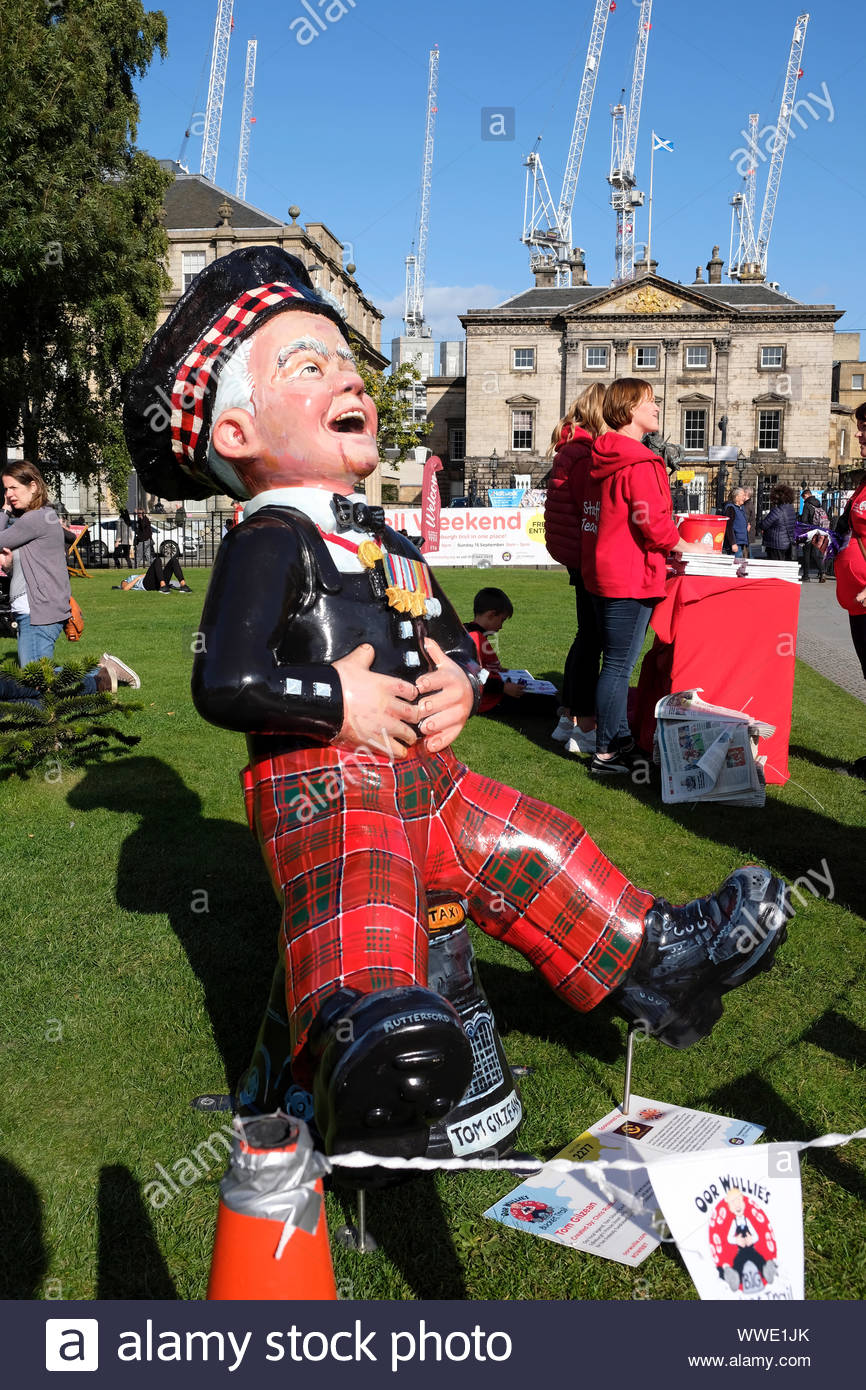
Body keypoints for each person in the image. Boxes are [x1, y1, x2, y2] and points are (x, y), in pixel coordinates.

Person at [123, 246, 789, 1163]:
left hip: (430, 781)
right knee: (359, 888)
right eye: (307, 367)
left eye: (346, 365)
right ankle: (362, 1040)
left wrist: (462, 686)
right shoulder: (268, 539)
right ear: (234, 434)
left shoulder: (385, 538)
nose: (346, 380)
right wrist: (335, 699)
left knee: (534, 843)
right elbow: (225, 681)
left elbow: (451, 643)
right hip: (325, 789)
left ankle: (656, 958)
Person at [581, 379, 710, 777]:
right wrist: (691, 549)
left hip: (609, 570)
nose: (657, 408)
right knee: (619, 665)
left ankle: (618, 739)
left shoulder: (608, 455)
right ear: (628, 410)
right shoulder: (639, 461)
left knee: (616, 662)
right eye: (649, 402)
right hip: (629, 574)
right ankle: (605, 753)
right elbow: (652, 525)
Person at [0, 462, 140, 692]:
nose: (8, 494)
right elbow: (31, 567)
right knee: (35, 676)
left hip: (38, 610)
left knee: (37, 680)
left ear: (33, 486)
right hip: (35, 607)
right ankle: (103, 670)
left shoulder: (35, 518)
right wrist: (9, 565)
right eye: (5, 489)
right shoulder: (41, 517)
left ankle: (101, 678)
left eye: (13, 488)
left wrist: (4, 511)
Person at [543, 385, 606, 756]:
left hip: (575, 554)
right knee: (593, 641)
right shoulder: (583, 454)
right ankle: (583, 724)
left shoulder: (569, 448)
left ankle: (569, 717)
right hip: (588, 556)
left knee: (586, 637)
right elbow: (592, 509)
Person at [832, 401, 866, 778]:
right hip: (856, 599)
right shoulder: (863, 480)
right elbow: (848, 529)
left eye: (864, 428)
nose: (858, 433)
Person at [464, 586, 558, 718]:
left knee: (543, 696)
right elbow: (471, 675)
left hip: (495, 692)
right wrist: (503, 688)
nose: (501, 626)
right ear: (491, 614)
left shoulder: (472, 632)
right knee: (547, 702)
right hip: (489, 701)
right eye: (502, 620)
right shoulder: (475, 637)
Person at [115, 553, 192, 593]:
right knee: (157, 560)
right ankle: (163, 586)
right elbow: (125, 588)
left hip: (154, 581)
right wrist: (138, 577)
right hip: (146, 585)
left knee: (173, 560)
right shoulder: (127, 579)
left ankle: (183, 585)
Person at [757, 483, 796, 560]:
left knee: (776, 567)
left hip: (776, 543)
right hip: (788, 542)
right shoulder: (790, 509)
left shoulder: (777, 511)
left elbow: (764, 525)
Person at [798, 489, 829, 583]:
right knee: (816, 553)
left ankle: (806, 575)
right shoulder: (818, 503)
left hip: (810, 531)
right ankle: (822, 572)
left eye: (804, 497)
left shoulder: (807, 505)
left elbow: (804, 520)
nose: (803, 500)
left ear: (807, 495)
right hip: (819, 531)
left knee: (806, 553)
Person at [723, 487, 749, 557]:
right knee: (736, 564)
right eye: (743, 495)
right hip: (736, 543)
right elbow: (729, 527)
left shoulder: (741, 507)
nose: (745, 497)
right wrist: (733, 543)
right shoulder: (731, 508)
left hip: (741, 542)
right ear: (736, 497)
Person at [741, 487, 756, 557]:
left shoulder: (747, 505)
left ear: (746, 494)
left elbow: (745, 519)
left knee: (745, 552)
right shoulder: (748, 504)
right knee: (747, 550)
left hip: (747, 532)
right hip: (748, 532)